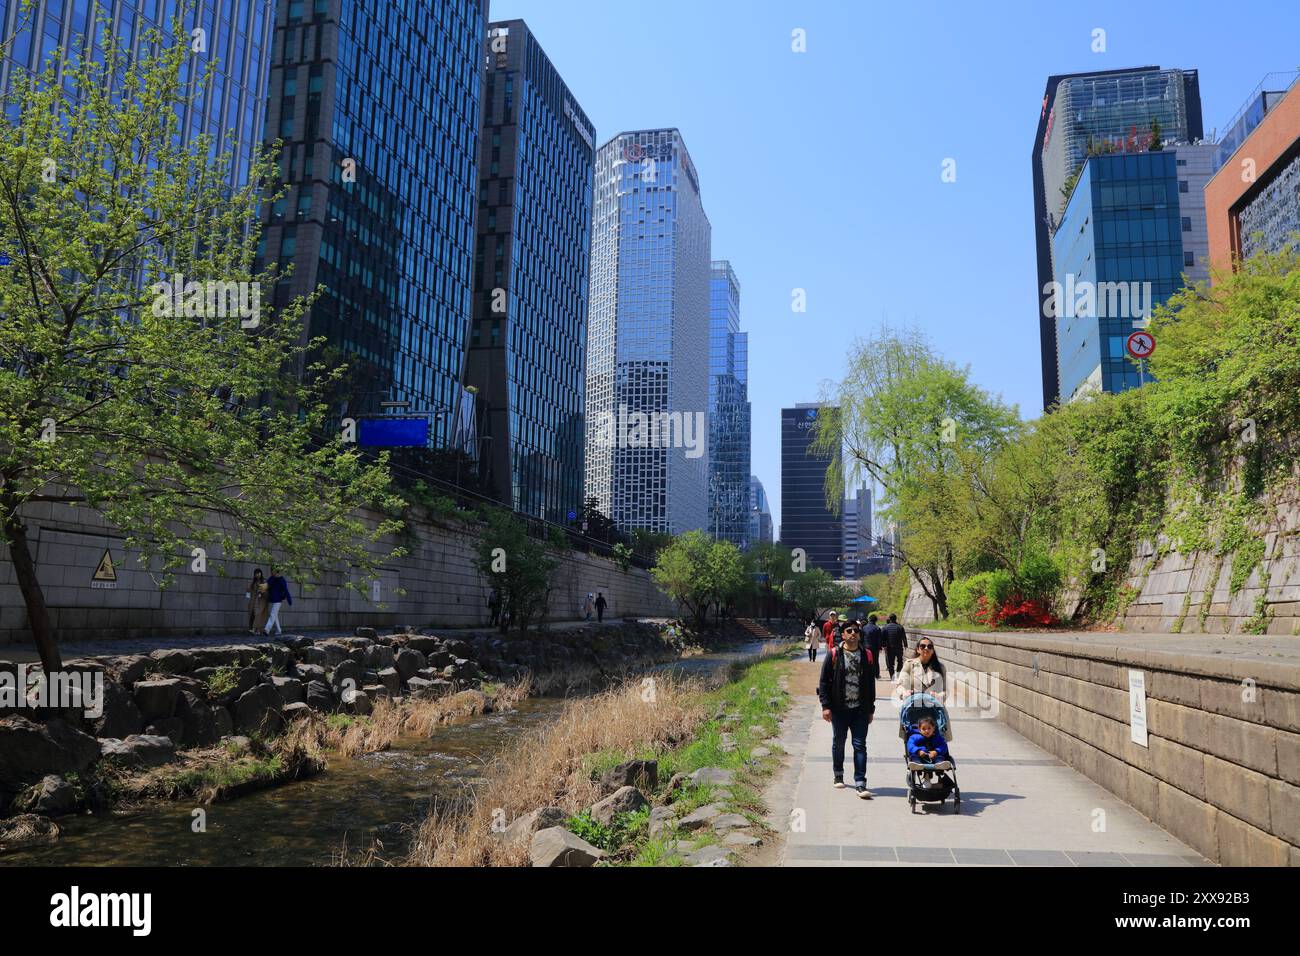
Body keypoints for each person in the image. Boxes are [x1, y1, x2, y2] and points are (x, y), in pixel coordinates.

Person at [817, 621, 875, 798]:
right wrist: (825, 706)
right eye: (849, 631)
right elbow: (824, 682)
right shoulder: (834, 654)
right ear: (842, 635)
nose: (853, 633)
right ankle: (838, 775)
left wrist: (871, 708)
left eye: (856, 631)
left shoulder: (867, 654)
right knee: (839, 742)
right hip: (839, 708)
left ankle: (860, 782)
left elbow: (870, 683)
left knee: (860, 745)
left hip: (860, 709)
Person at [907, 715, 953, 787]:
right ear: (919, 729)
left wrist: (936, 751)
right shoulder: (914, 737)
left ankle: (940, 764)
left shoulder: (937, 737)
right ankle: (916, 764)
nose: (927, 731)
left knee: (940, 757)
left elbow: (943, 746)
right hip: (920, 755)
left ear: (933, 728)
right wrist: (918, 751)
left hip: (934, 756)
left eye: (929, 728)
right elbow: (910, 745)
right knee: (914, 756)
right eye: (924, 729)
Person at [896, 637, 947, 703]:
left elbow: (945, 691)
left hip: (934, 706)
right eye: (922, 646)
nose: (926, 648)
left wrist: (939, 696)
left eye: (929, 646)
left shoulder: (940, 667)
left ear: (932, 651)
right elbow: (900, 685)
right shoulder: (909, 664)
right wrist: (904, 693)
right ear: (918, 650)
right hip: (913, 705)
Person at [263, 567, 292, 636]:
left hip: (278, 600)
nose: (271, 572)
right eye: (271, 571)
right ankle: (279, 630)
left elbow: (286, 590)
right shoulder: (271, 578)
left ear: (276, 571)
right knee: (274, 615)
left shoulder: (282, 580)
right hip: (272, 598)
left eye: (272, 571)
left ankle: (267, 630)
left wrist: (288, 599)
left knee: (273, 614)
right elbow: (267, 585)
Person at [881, 612, 908, 680]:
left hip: (889, 648)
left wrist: (884, 646)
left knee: (890, 664)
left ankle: (892, 677)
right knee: (900, 661)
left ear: (889, 619)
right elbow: (904, 637)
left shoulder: (885, 628)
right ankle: (898, 674)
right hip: (899, 647)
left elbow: (883, 638)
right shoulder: (900, 627)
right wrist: (905, 645)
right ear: (896, 619)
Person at [246, 569, 269, 635]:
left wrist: (261, 591)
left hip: (262, 601)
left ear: (261, 573)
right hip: (254, 600)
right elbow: (251, 590)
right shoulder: (254, 582)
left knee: (258, 614)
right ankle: (254, 629)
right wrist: (248, 590)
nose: (257, 575)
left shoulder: (264, 581)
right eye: (256, 573)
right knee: (253, 614)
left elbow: (266, 591)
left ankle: (256, 629)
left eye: (258, 573)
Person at [863, 613, 883, 681]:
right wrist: (880, 648)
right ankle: (876, 675)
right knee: (875, 661)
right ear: (875, 620)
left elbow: (862, 638)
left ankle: (867, 674)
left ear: (869, 620)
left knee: (866, 661)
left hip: (866, 647)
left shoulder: (864, 628)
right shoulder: (877, 628)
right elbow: (879, 639)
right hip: (875, 647)